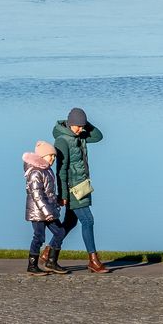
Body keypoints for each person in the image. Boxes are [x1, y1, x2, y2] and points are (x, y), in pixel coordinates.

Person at [47, 107, 110, 274]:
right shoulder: (62, 141)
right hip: (72, 189)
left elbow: (98, 136)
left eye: (82, 126)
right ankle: (93, 261)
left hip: (82, 186)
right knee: (88, 220)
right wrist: (63, 195)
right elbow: (61, 170)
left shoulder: (80, 135)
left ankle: (48, 252)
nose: (81, 129)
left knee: (70, 222)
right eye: (78, 126)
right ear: (71, 124)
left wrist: (84, 123)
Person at [24, 140, 67, 276]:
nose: (53, 159)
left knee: (60, 232)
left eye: (54, 156)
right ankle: (32, 265)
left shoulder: (47, 171)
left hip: (48, 211)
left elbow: (48, 193)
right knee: (39, 237)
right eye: (50, 156)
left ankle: (51, 261)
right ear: (42, 157)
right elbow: (37, 195)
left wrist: (56, 201)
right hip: (38, 212)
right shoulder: (35, 172)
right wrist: (47, 212)